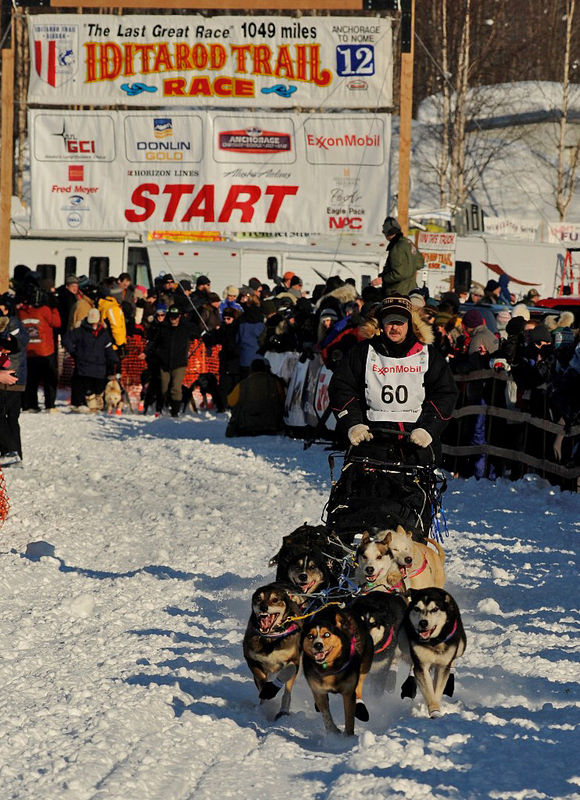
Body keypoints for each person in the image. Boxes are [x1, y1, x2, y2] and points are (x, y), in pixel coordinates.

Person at [328, 294, 458, 466]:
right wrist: (353, 424)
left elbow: (445, 394)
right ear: (381, 323)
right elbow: (341, 388)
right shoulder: (362, 353)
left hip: (415, 446)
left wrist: (428, 429)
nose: (395, 327)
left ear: (409, 324)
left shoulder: (428, 356)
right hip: (371, 443)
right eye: (390, 321)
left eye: (400, 322)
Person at [62, 307, 119, 412]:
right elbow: (66, 339)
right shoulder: (80, 331)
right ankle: (86, 405)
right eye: (91, 322)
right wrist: (74, 352)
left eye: (95, 322)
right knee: (86, 389)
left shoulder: (104, 334)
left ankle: (98, 405)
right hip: (84, 366)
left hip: (100, 368)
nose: (93, 324)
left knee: (98, 390)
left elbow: (109, 348)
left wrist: (115, 361)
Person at [146, 306, 197, 417]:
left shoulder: (185, 328)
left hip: (179, 363)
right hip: (164, 363)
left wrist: (206, 335)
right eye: (171, 317)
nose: (173, 320)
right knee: (164, 388)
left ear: (179, 316)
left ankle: (175, 411)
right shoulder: (163, 328)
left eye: (175, 317)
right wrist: (145, 352)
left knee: (176, 388)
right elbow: (153, 342)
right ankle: (163, 406)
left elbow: (198, 331)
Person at [17, 288, 61, 412]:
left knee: (31, 380)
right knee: (49, 379)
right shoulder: (44, 310)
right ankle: (50, 405)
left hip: (28, 351)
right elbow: (56, 323)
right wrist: (54, 308)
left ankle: (30, 404)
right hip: (45, 351)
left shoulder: (21, 312)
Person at [0, 294, 29, 463]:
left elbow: (15, 345)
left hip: (12, 379)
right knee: (9, 418)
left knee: (9, 417)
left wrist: (9, 342)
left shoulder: (13, 324)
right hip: (11, 377)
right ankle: (12, 453)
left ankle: (12, 451)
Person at [226, 359, 285, 437]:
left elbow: (230, 402)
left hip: (247, 425)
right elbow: (283, 399)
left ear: (251, 369)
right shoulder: (274, 383)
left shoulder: (243, 384)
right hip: (271, 425)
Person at [377, 217, 421, 297]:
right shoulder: (408, 243)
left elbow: (399, 273)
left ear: (387, 233)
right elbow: (420, 263)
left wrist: (383, 279)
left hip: (397, 293)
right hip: (412, 290)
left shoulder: (396, 247)